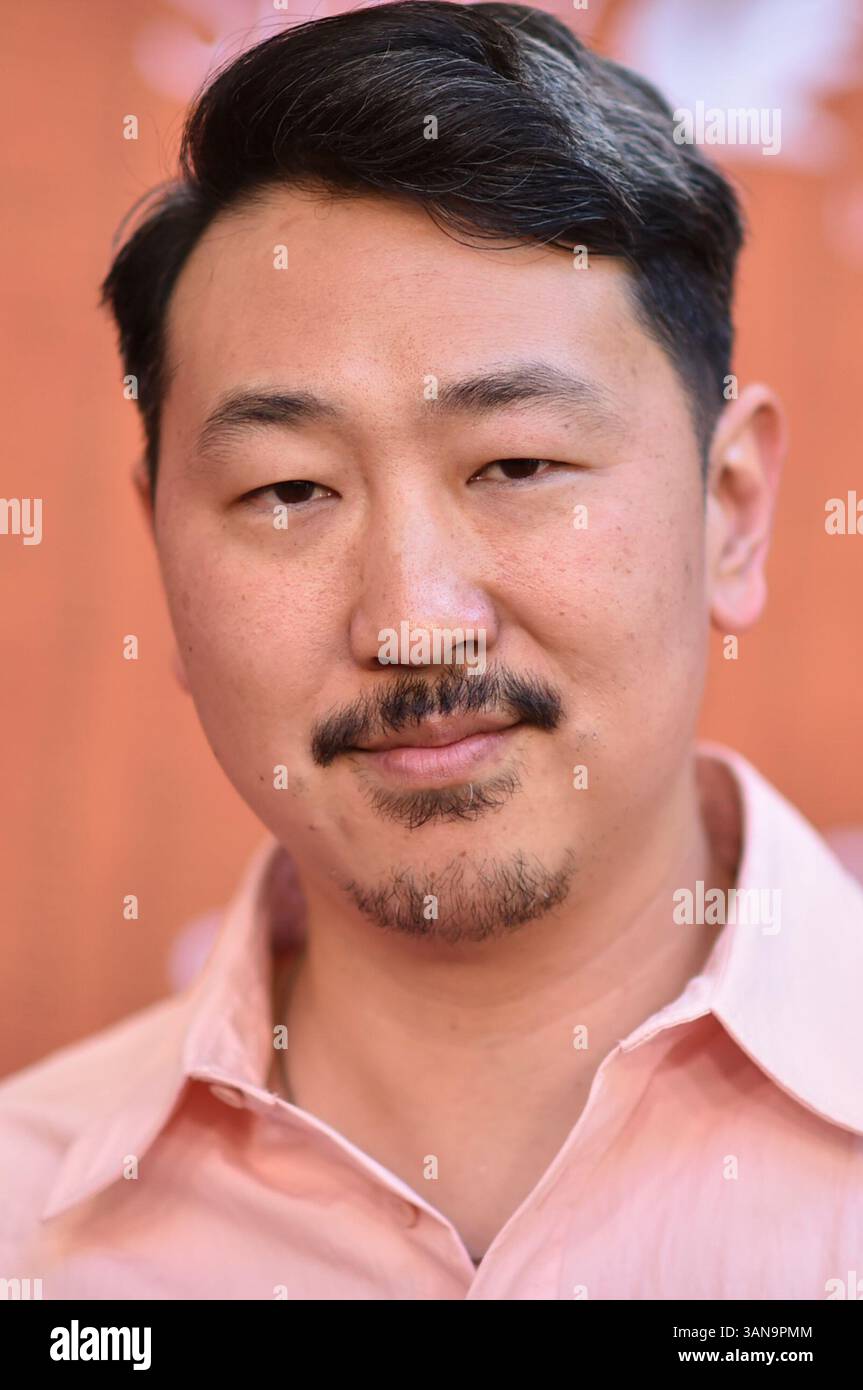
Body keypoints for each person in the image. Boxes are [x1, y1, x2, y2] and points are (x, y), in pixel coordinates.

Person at [2, 1, 861, 1301]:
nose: (412, 619)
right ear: (163, 551)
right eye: (288, 490)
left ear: (730, 508)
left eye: (517, 464)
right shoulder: (33, 1223)